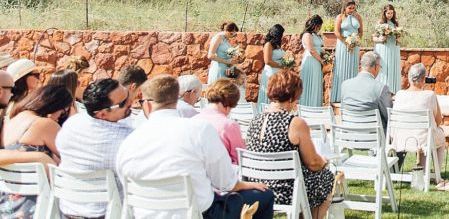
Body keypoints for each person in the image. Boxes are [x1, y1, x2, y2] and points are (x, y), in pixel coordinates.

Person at [117, 75, 274, 219]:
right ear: (176, 101)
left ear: (149, 105)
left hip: (144, 214)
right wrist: (247, 185)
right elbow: (225, 183)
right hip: (198, 213)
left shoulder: (129, 141)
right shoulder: (199, 130)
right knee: (264, 195)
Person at [247, 70, 333, 219]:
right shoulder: (294, 123)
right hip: (286, 191)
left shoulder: (255, 120)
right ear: (293, 95)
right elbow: (313, 163)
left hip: (257, 188)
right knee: (327, 178)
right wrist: (324, 162)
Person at [55, 78, 134, 219]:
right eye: (123, 103)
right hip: (109, 213)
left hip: (68, 209)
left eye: (128, 94)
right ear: (102, 114)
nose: (130, 101)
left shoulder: (71, 124)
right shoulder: (126, 139)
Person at [1, 84, 73, 217]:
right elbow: (72, 158)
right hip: (37, 204)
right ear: (54, 104)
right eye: (63, 112)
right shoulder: (44, 124)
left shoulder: (11, 121)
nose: (59, 117)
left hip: (7, 203)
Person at [391, 63, 449, 188]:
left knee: (425, 132)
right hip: (423, 140)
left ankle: (423, 172)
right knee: (438, 134)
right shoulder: (429, 95)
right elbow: (438, 121)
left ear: (408, 77)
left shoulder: (400, 94)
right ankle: (436, 176)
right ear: (424, 79)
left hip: (401, 139)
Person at [196, 79, 246, 165]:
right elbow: (240, 159)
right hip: (221, 175)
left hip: (196, 174)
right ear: (230, 103)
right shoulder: (229, 125)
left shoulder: (193, 119)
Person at [341, 51, 394, 126]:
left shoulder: (345, 85)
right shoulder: (381, 88)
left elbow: (342, 112)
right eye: (380, 67)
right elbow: (390, 116)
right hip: (374, 136)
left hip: (349, 134)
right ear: (376, 66)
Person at [331, 0, 362, 103]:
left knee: (353, 68)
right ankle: (340, 96)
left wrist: (356, 42)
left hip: (354, 46)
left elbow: (361, 32)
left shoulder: (358, 17)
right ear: (345, 8)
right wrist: (346, 42)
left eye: (353, 8)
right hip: (343, 46)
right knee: (342, 68)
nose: (351, 10)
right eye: (349, 8)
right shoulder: (339, 17)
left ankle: (352, 96)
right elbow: (336, 32)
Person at [373, 4, 402, 95]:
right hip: (383, 48)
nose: (390, 15)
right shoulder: (380, 22)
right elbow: (374, 37)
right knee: (384, 68)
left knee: (393, 67)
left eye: (392, 13)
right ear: (384, 13)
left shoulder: (396, 23)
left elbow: (399, 35)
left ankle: (393, 90)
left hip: (394, 47)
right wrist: (379, 39)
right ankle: (382, 91)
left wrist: (398, 38)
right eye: (388, 13)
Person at [299, 15, 327, 107]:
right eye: (318, 26)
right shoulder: (307, 35)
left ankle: (315, 105)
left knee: (316, 83)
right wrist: (321, 61)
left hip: (316, 61)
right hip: (311, 61)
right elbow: (311, 50)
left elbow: (320, 48)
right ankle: (308, 105)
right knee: (310, 83)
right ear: (314, 25)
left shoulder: (316, 35)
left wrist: (326, 55)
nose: (319, 28)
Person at [258, 24, 286, 105]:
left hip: (278, 74)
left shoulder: (277, 45)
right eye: (281, 34)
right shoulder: (268, 44)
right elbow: (267, 61)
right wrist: (282, 66)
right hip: (271, 73)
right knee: (270, 94)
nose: (282, 36)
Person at [207, 21, 241, 86]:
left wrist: (234, 58)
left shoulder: (225, 39)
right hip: (218, 68)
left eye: (234, 34)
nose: (232, 36)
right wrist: (227, 61)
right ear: (225, 30)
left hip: (226, 70)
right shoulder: (218, 37)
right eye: (231, 34)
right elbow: (210, 55)